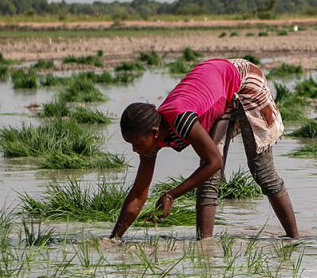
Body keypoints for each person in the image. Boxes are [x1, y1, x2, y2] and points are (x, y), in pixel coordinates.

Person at [112, 58, 299, 240]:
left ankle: (293, 238)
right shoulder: (150, 141)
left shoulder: (181, 119)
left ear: (154, 133)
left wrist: (171, 195)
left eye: (136, 144)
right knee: (208, 179)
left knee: (262, 171)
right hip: (216, 84)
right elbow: (138, 193)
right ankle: (205, 246)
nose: (135, 150)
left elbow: (215, 161)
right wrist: (114, 238)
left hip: (243, 80)